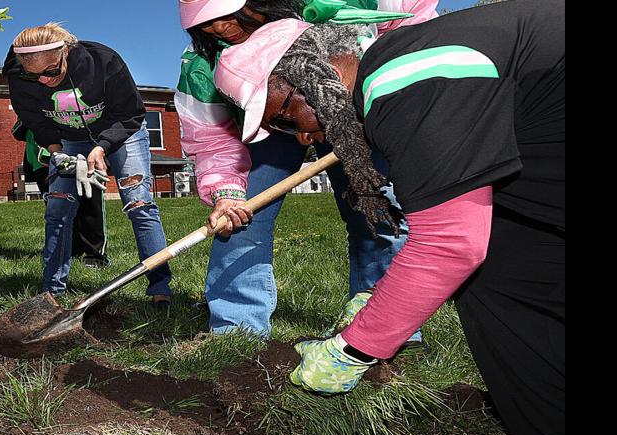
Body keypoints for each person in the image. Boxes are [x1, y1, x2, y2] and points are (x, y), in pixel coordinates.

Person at [222, 0, 565, 435]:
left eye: (281, 117)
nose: (298, 138)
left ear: (305, 75)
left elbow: (450, 244)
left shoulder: (406, 76)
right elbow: (465, 221)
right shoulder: (404, 66)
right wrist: (386, 301)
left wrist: (354, 348)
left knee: (499, 281)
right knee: (513, 273)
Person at [177, 0, 432, 340]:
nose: (219, 29)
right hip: (266, 125)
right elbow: (212, 140)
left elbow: (413, 28)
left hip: (353, 109)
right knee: (241, 215)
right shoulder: (201, 68)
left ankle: (385, 327)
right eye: (205, 24)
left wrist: (387, 96)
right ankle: (237, 330)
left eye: (228, 14)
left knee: (376, 213)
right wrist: (225, 192)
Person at [4, 23, 173, 308]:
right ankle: (51, 292)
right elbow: (34, 119)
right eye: (33, 76)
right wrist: (55, 151)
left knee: (139, 205)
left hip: (121, 133)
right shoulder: (18, 76)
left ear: (66, 52)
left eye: (51, 72)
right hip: (69, 139)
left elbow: (131, 114)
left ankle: (160, 288)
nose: (43, 81)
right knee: (57, 209)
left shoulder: (104, 61)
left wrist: (101, 147)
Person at [13, 119, 107, 266]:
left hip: (80, 149)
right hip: (41, 157)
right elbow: (20, 129)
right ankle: (71, 250)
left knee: (89, 203)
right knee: (58, 210)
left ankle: (94, 254)